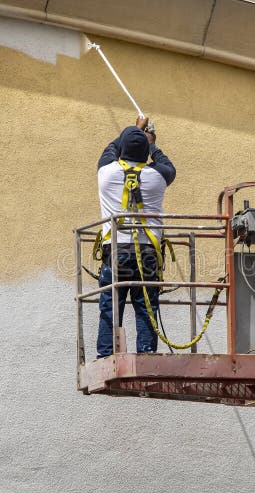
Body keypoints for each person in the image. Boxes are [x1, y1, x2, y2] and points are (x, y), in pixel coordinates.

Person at [95, 116, 176, 358]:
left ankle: (107, 354)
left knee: (111, 305)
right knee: (146, 306)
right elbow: (167, 165)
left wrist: (135, 130)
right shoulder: (158, 177)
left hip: (117, 251)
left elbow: (112, 148)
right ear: (144, 153)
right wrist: (150, 142)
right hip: (148, 252)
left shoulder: (106, 173)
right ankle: (147, 353)